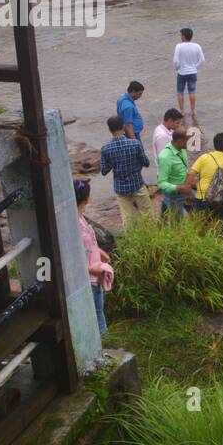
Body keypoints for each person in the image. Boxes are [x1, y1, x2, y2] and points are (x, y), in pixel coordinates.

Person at [99, 114, 154, 227]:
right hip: (137, 184)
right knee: (148, 215)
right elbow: (146, 162)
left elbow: (104, 171)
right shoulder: (135, 144)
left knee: (127, 218)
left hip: (121, 188)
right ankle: (152, 237)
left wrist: (112, 163)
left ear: (109, 130)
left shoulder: (106, 149)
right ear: (123, 126)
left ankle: (130, 239)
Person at [74, 179, 112, 334]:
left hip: (94, 273)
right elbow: (73, 253)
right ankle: (103, 342)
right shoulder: (74, 222)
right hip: (89, 276)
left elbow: (88, 244)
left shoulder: (79, 216)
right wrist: (90, 268)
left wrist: (99, 251)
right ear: (87, 199)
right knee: (96, 312)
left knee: (98, 310)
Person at [157, 127, 194, 218]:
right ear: (180, 141)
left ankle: (163, 217)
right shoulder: (165, 157)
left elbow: (183, 168)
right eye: (187, 141)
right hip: (174, 195)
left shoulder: (181, 149)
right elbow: (161, 183)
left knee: (195, 212)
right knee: (176, 222)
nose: (189, 143)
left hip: (183, 191)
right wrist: (179, 188)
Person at [172, 28, 205, 119]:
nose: (180, 37)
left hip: (181, 72)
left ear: (183, 36)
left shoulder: (179, 46)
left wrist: (177, 68)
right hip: (192, 72)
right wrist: (195, 67)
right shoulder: (197, 46)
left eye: (181, 35)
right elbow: (202, 60)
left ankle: (182, 111)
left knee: (180, 92)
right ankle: (192, 111)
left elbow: (175, 61)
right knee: (192, 92)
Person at [151, 107, 184, 177]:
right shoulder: (162, 136)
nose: (179, 125)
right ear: (170, 121)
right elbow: (163, 158)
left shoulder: (164, 128)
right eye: (177, 123)